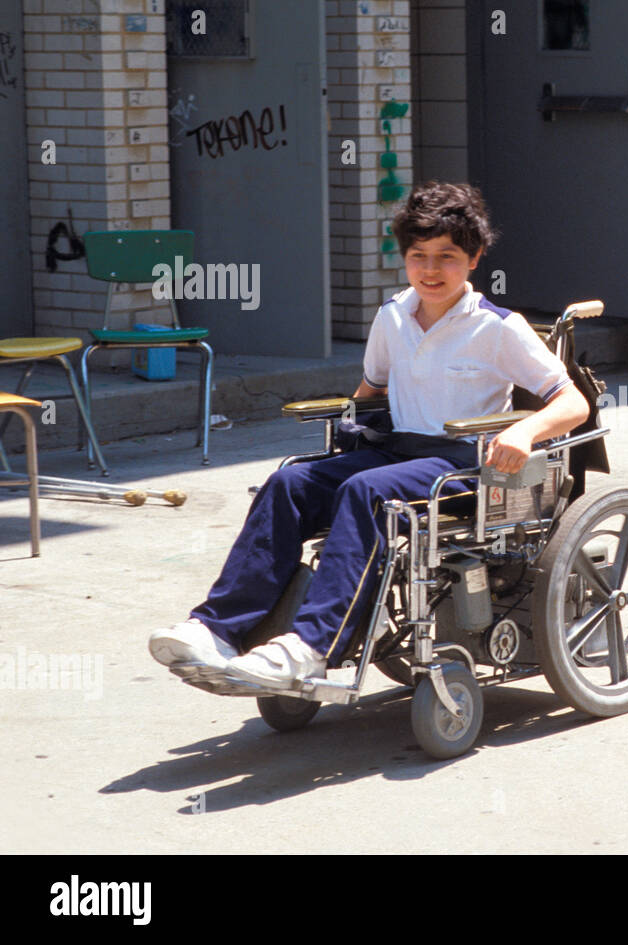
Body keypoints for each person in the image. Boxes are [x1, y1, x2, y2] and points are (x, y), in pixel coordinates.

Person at [147, 181, 590, 691]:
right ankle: (216, 629)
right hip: (396, 449)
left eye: (446, 256)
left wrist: (526, 430)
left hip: (464, 464)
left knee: (367, 492)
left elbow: (572, 402)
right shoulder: (392, 317)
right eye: (418, 256)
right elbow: (371, 391)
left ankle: (310, 647)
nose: (430, 269)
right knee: (289, 482)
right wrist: (343, 428)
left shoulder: (498, 328)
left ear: (474, 258)